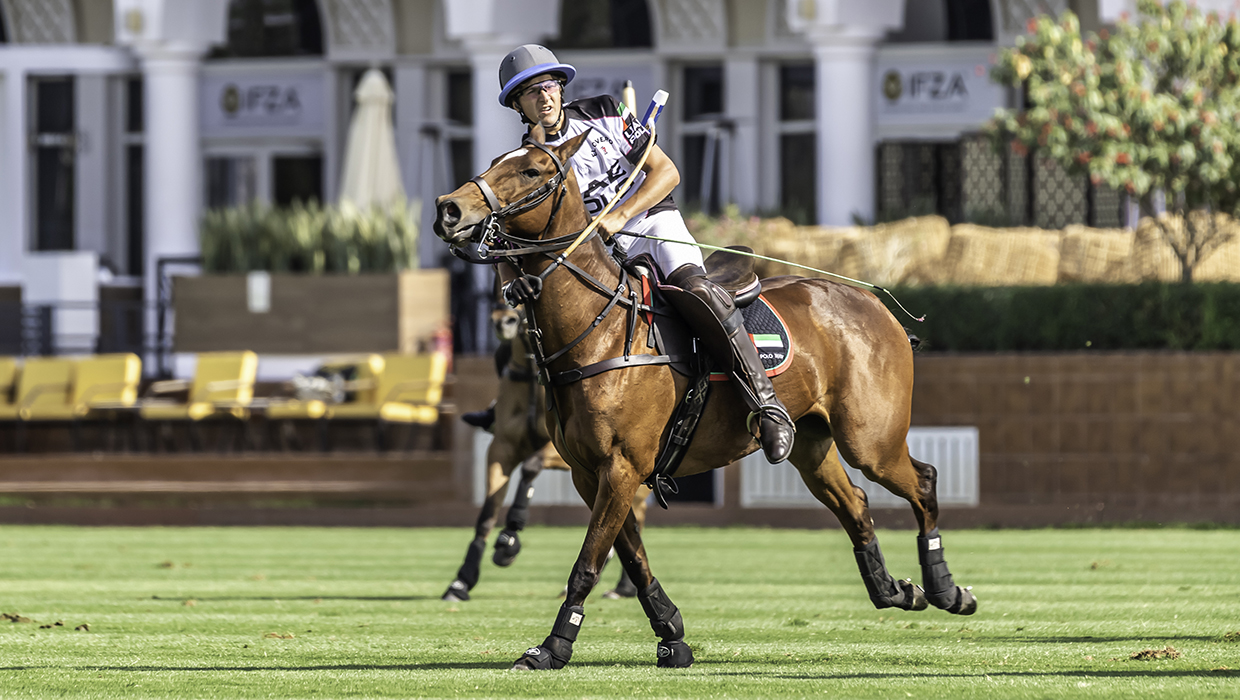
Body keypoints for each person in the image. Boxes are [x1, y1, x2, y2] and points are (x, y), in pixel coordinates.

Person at [489, 44, 794, 465]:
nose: (543, 96)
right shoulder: (528, 164)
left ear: (561, 88)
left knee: (697, 291)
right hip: (602, 255)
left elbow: (667, 172)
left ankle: (767, 406)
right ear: (519, 106)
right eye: (530, 92)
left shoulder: (604, 111)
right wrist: (510, 281)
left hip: (653, 225)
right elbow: (511, 239)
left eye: (548, 86)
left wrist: (621, 214)